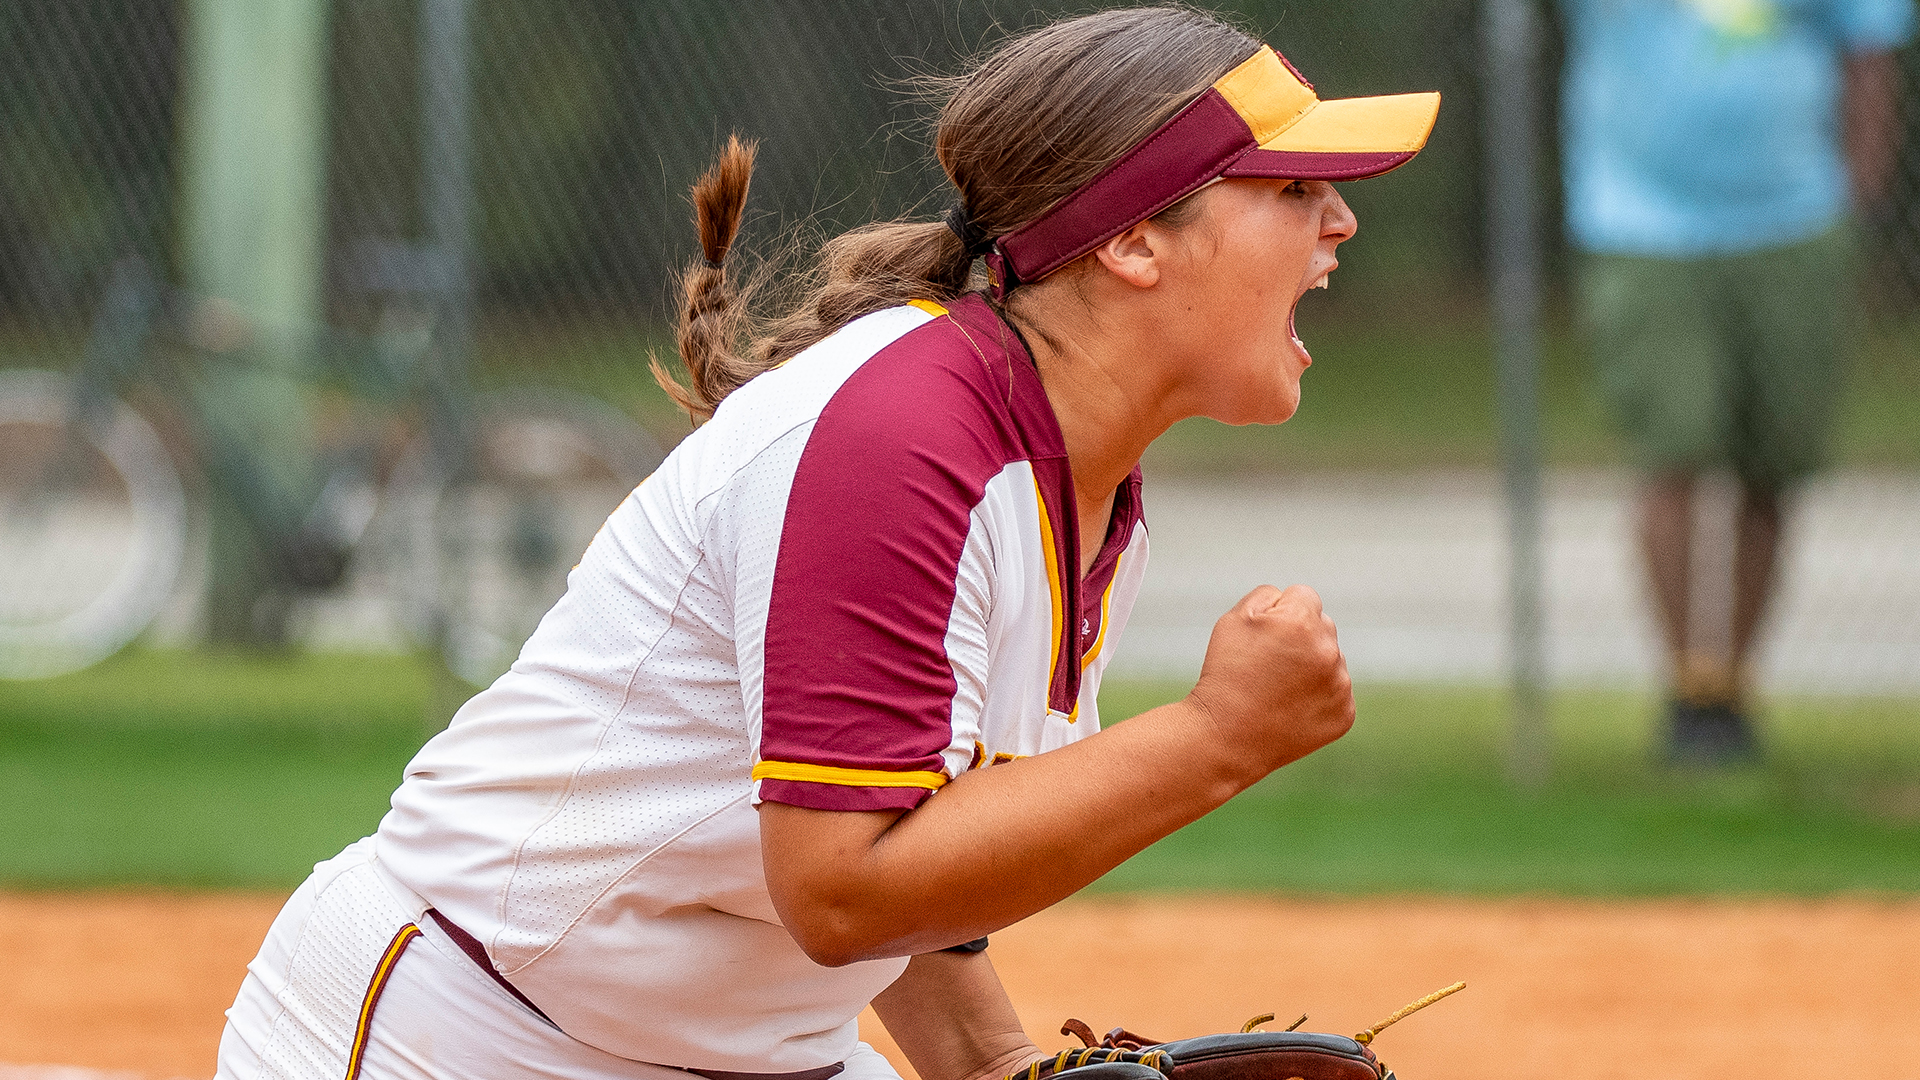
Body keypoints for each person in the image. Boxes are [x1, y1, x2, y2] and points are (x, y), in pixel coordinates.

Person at [212, 9, 1439, 1080]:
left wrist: (992, 1064)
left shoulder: (1075, 475)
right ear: (1130, 241)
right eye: (1289, 188)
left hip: (741, 1051)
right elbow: (844, 885)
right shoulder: (899, 434)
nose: (1337, 219)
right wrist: (1215, 738)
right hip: (470, 1035)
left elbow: (913, 822)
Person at [1560, 0, 1913, 763]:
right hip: (1641, 222)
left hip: (1797, 219)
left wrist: (1859, 206)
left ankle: (1734, 688)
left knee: (1772, 468)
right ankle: (1690, 689)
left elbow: (1869, 56)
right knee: (1673, 454)